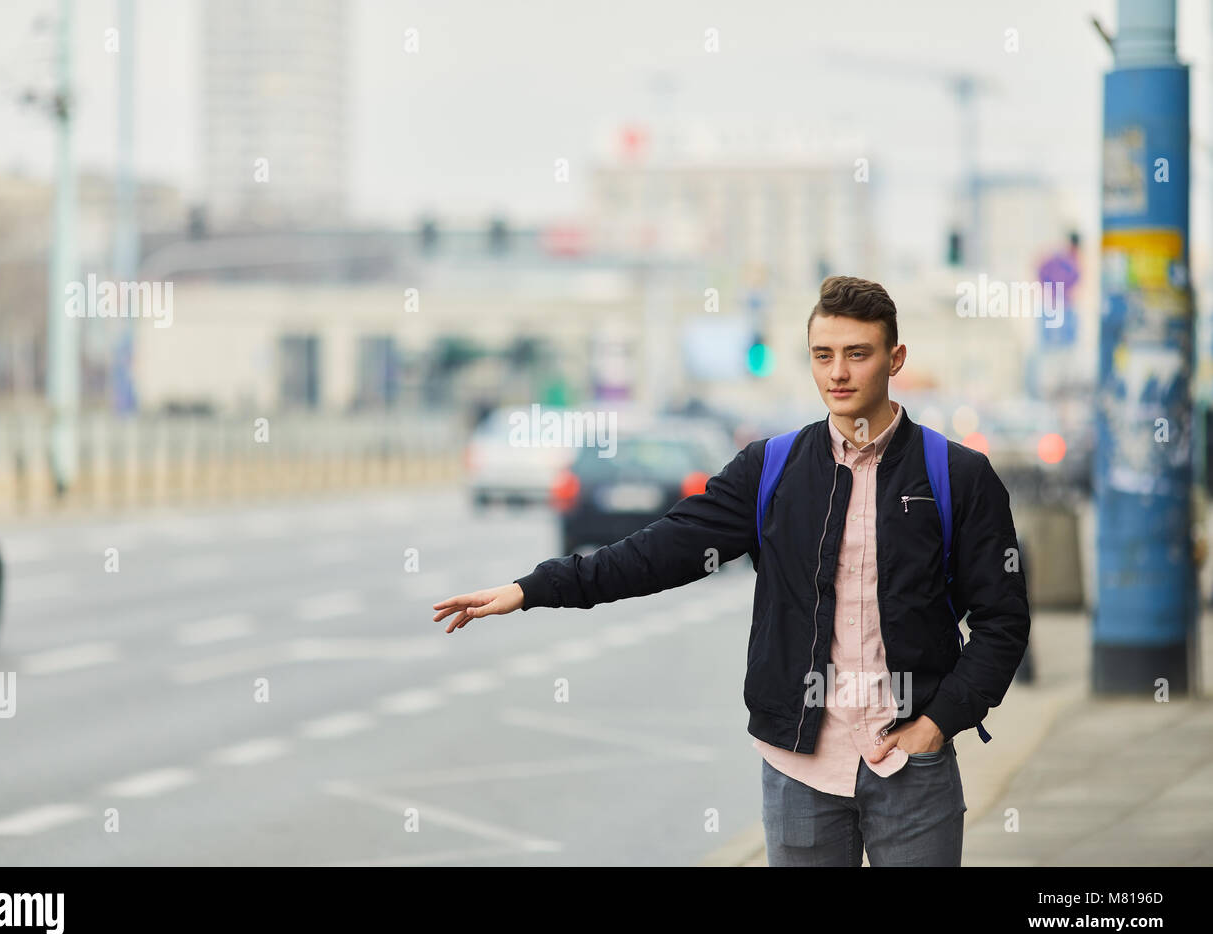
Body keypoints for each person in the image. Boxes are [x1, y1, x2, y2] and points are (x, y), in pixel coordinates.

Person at [433, 275, 1030, 866]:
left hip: (912, 765)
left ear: (894, 358)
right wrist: (532, 588)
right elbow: (658, 551)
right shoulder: (770, 470)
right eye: (823, 356)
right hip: (800, 769)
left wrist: (938, 723)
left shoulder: (958, 476)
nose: (839, 374)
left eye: (857, 354)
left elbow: (1002, 620)